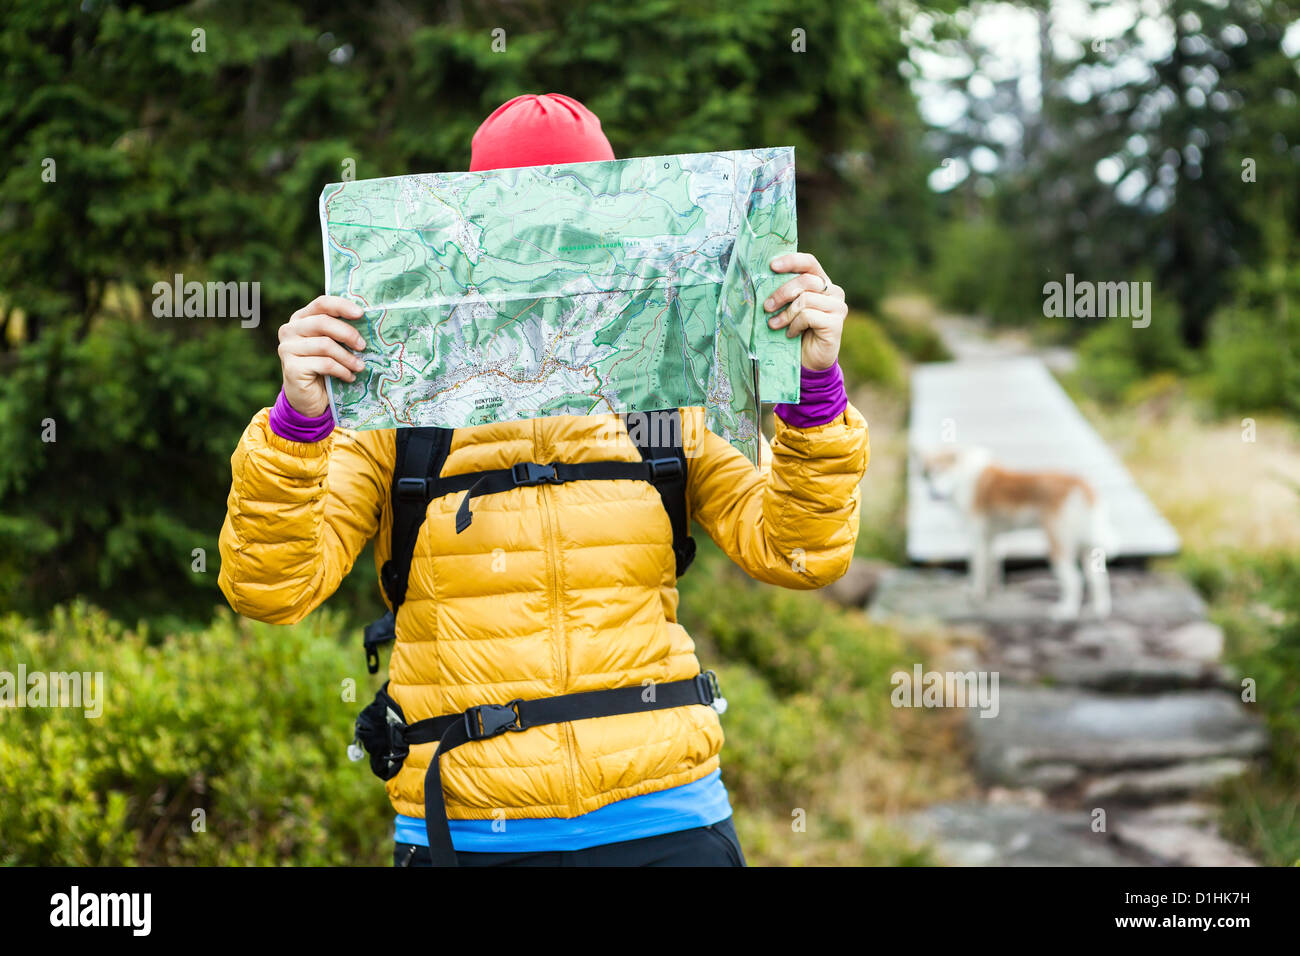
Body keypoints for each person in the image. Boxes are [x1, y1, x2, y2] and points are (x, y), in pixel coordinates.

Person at [218, 92, 869, 867]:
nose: (554, 254)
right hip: (464, 828)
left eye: (581, 227)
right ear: (470, 234)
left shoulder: (669, 388)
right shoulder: (392, 405)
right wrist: (297, 424)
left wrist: (817, 392)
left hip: (666, 819)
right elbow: (270, 590)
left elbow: (801, 554)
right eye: (522, 228)